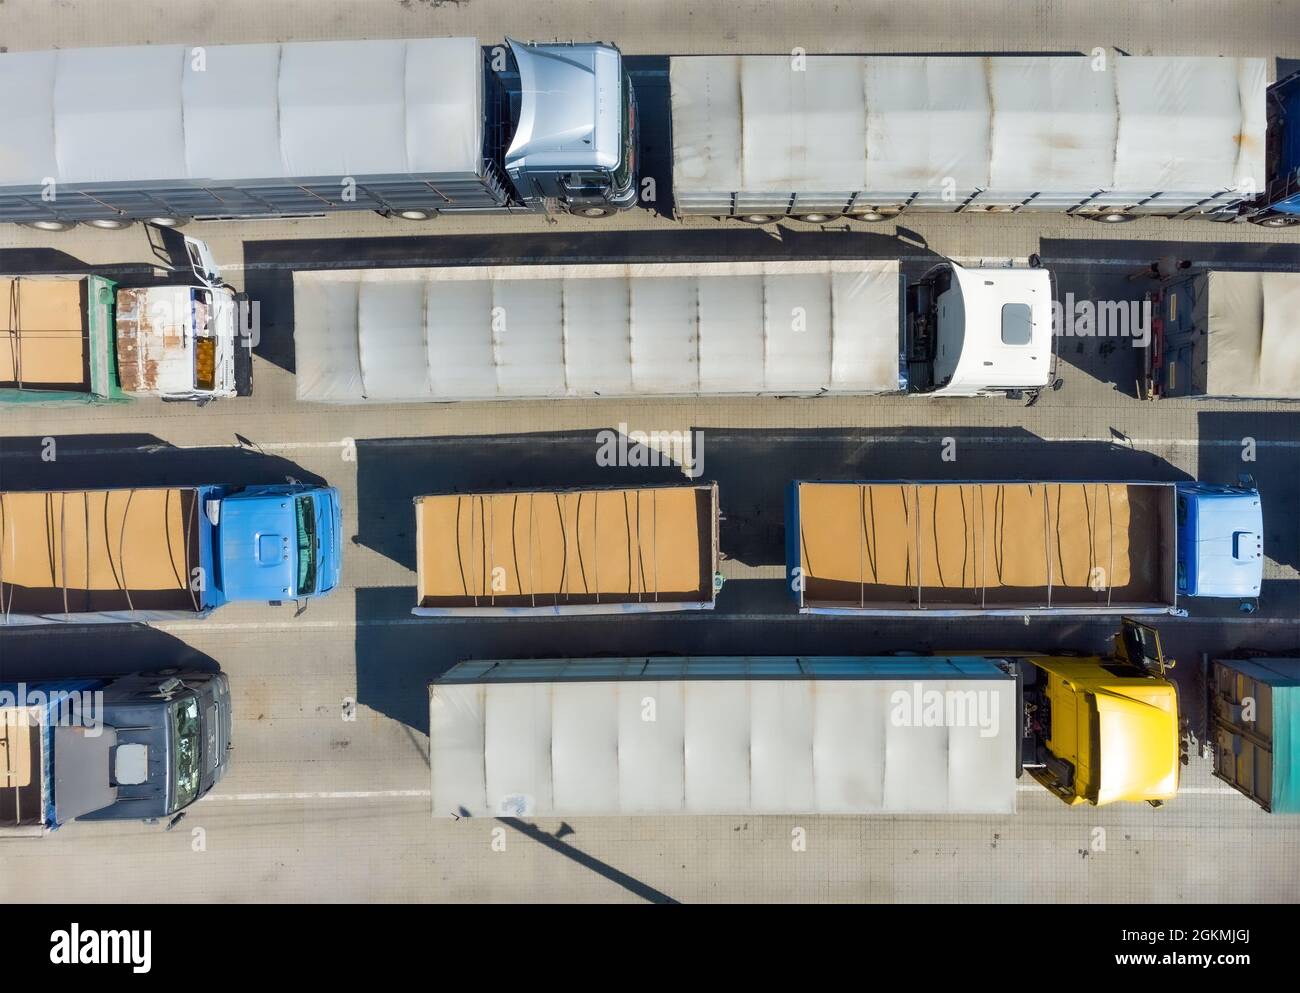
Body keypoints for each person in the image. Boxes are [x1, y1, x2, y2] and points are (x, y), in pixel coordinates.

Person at [1127, 255, 1192, 281]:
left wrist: (1160, 259)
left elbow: (1163, 258)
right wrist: (1163, 279)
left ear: (1183, 261)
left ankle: (1133, 277)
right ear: (1184, 268)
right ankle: (1150, 276)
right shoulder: (1176, 272)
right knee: (1154, 276)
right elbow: (1168, 277)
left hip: (1158, 266)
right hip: (1161, 273)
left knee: (1146, 270)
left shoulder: (1174, 258)